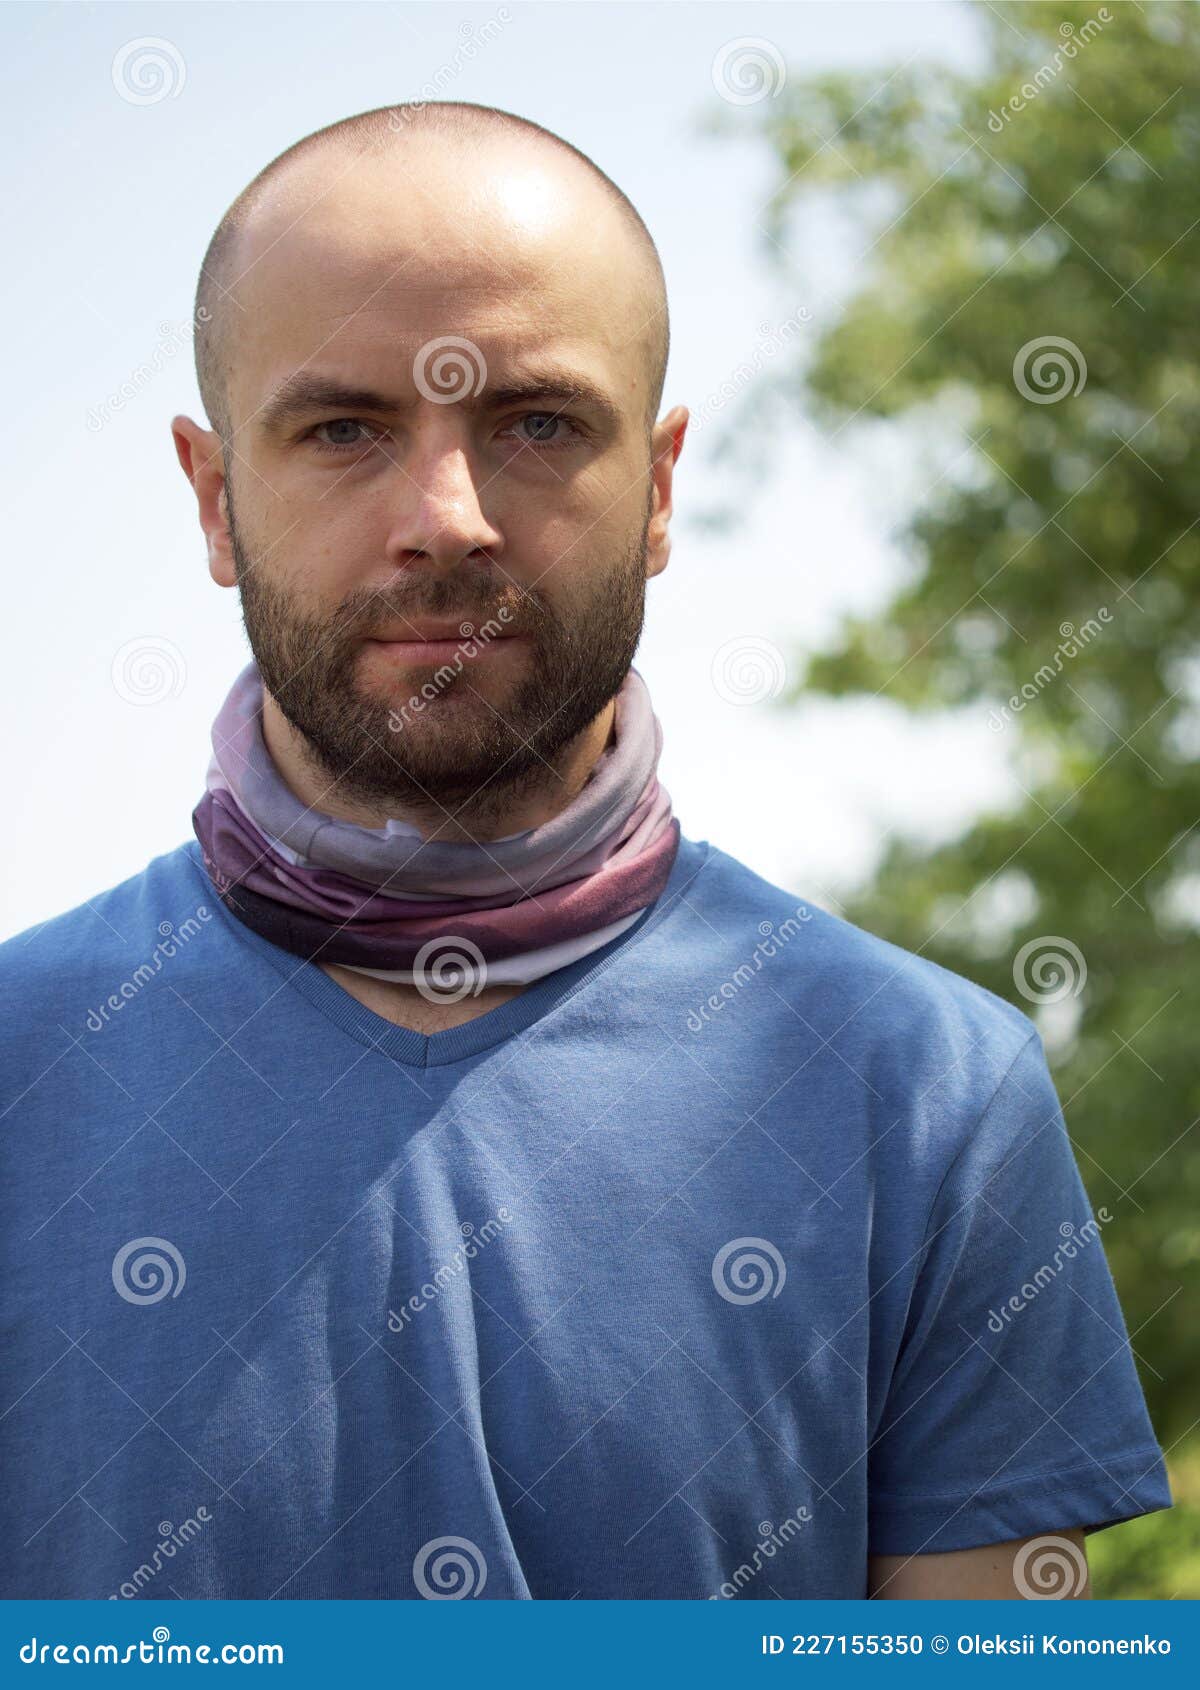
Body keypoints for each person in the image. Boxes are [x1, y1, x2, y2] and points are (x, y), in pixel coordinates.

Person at [0, 101, 1170, 1602]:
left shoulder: (931, 1094)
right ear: (214, 496)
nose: (446, 518)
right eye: (344, 427)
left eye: (537, 423)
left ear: (664, 487)